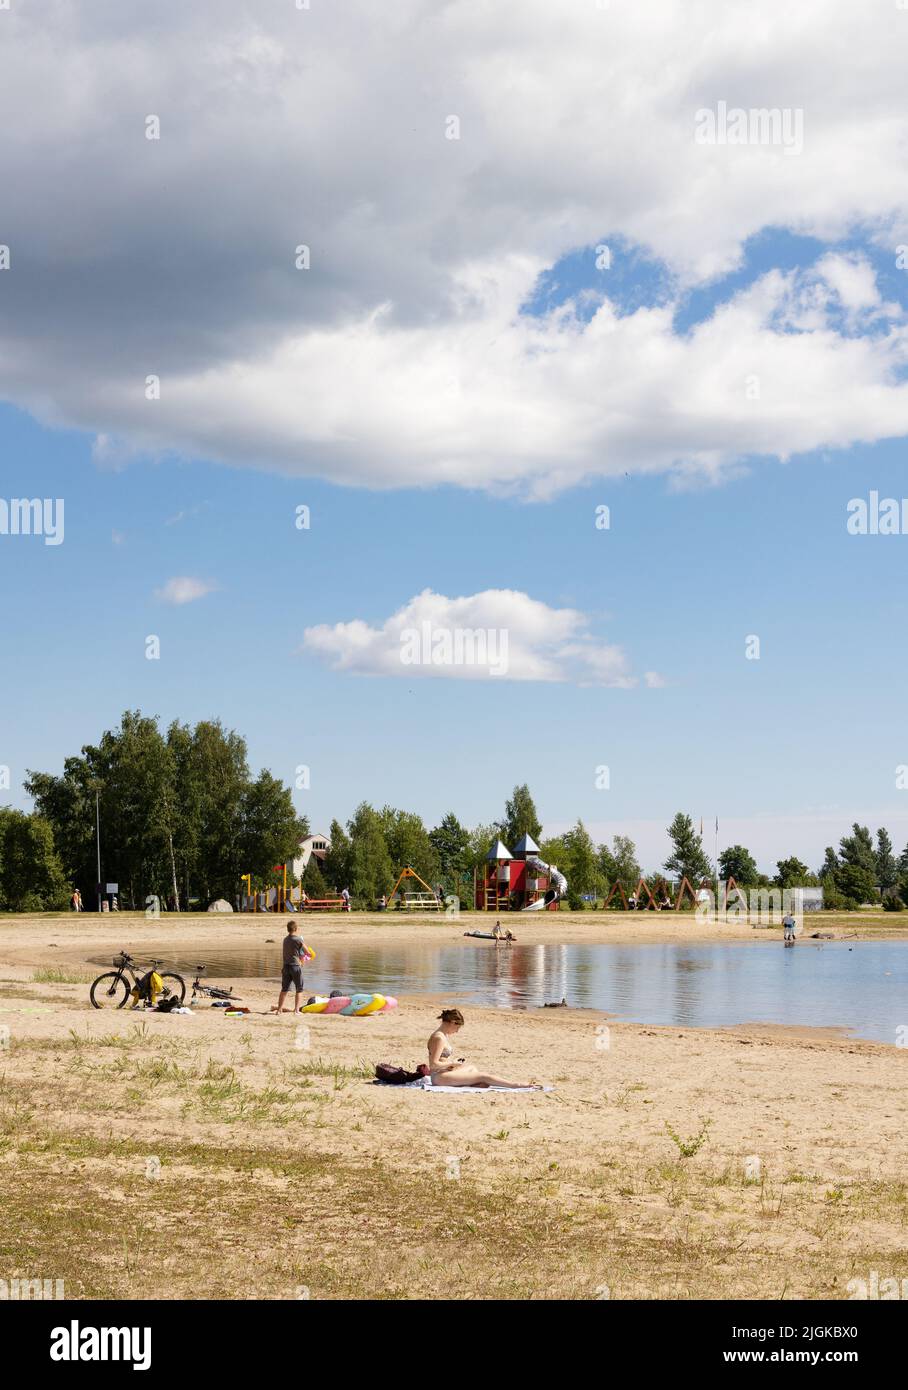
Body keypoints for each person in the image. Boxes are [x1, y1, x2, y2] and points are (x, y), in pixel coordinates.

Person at [427, 1008, 542, 1088]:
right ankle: (515, 1085)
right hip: (439, 1077)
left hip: (444, 1073)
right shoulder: (439, 1038)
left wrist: (453, 1065)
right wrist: (452, 1063)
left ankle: (474, 1083)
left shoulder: (443, 1035)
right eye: (457, 1028)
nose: (457, 1031)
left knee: (472, 1068)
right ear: (452, 1022)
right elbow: (433, 1065)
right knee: (484, 1076)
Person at [273, 920, 313, 1014]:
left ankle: (279, 1010)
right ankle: (296, 1010)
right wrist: (308, 955)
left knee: (284, 989)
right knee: (299, 989)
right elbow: (307, 952)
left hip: (286, 966)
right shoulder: (298, 939)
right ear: (296, 929)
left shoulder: (285, 939)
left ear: (288, 929)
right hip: (295, 966)